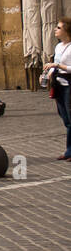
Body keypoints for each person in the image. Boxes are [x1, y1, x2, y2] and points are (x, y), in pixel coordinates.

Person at [44, 17, 71, 161]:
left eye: (59, 27)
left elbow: (62, 66)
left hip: (68, 85)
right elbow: (55, 63)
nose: (56, 29)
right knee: (64, 117)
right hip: (58, 84)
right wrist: (48, 73)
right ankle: (69, 150)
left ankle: (69, 151)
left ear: (67, 30)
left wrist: (58, 67)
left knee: (70, 118)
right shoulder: (59, 46)